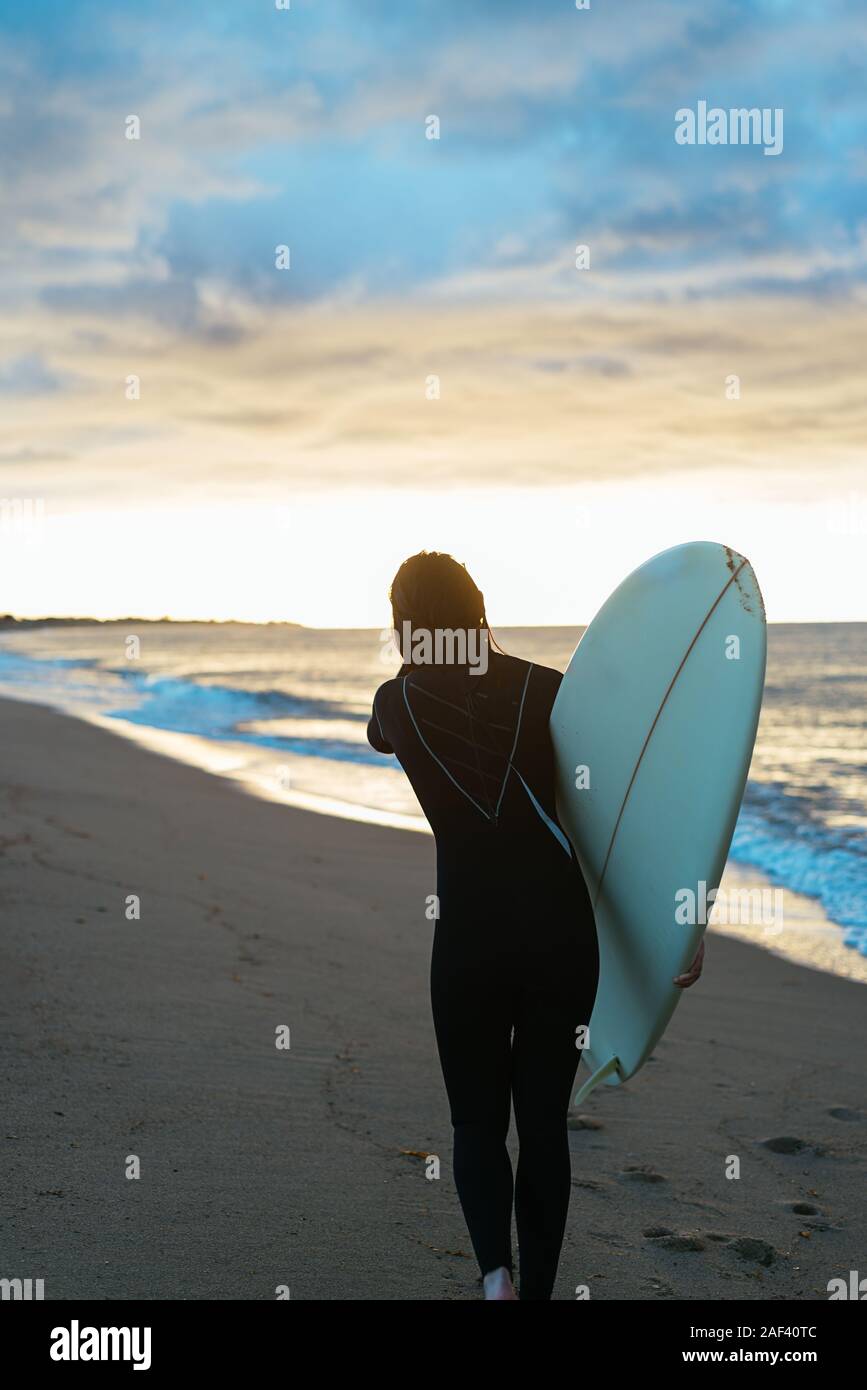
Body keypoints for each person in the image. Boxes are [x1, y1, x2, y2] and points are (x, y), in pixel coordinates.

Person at [367, 551, 703, 1301]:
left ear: (404, 625)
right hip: (558, 932)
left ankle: (496, 1283)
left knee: (475, 1124)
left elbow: (379, 734)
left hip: (469, 937)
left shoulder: (396, 703)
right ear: (480, 607)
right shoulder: (551, 691)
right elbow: (621, 814)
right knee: (542, 1123)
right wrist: (683, 910)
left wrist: (417, 663)